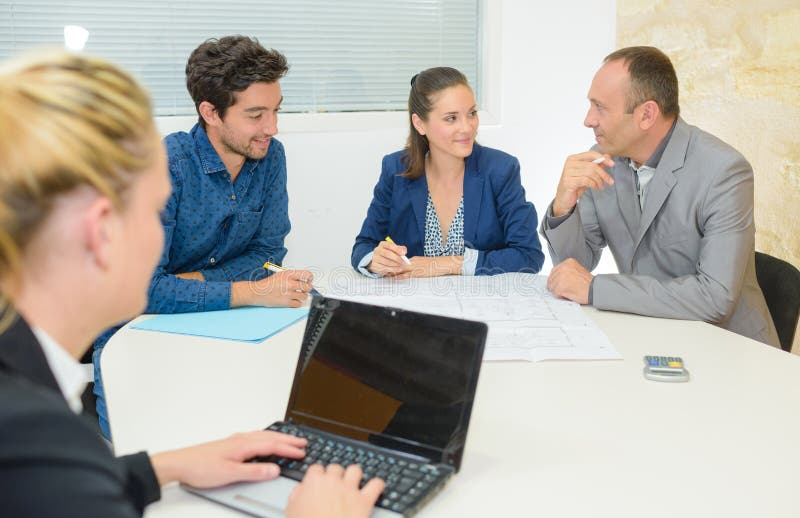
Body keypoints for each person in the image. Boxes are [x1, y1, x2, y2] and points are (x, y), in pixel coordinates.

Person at [0, 51, 383, 518]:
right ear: (102, 232)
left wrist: (167, 466)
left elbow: (66, 490)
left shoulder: (30, 396)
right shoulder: (35, 432)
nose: (272, 128)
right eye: (152, 211)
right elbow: (154, 288)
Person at [92, 36, 313, 438]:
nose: (272, 128)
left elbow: (268, 253)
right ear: (210, 112)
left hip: (226, 328)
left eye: (276, 111)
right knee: (153, 449)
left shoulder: (270, 156)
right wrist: (250, 291)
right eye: (256, 114)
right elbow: (141, 294)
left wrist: (190, 284)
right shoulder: (165, 167)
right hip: (137, 336)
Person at [540, 46, 779, 347]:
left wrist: (597, 290)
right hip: (652, 340)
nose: (588, 120)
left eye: (600, 107)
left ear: (646, 115)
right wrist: (564, 206)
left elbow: (715, 298)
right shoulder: (602, 160)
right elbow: (573, 269)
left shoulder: (724, 171)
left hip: (731, 350)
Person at [351, 67, 544, 278]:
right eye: (451, 118)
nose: (467, 127)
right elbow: (364, 246)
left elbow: (528, 256)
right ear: (420, 124)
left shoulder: (500, 169)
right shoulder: (396, 169)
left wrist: (449, 264)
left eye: (472, 113)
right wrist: (375, 261)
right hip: (414, 304)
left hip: (481, 306)